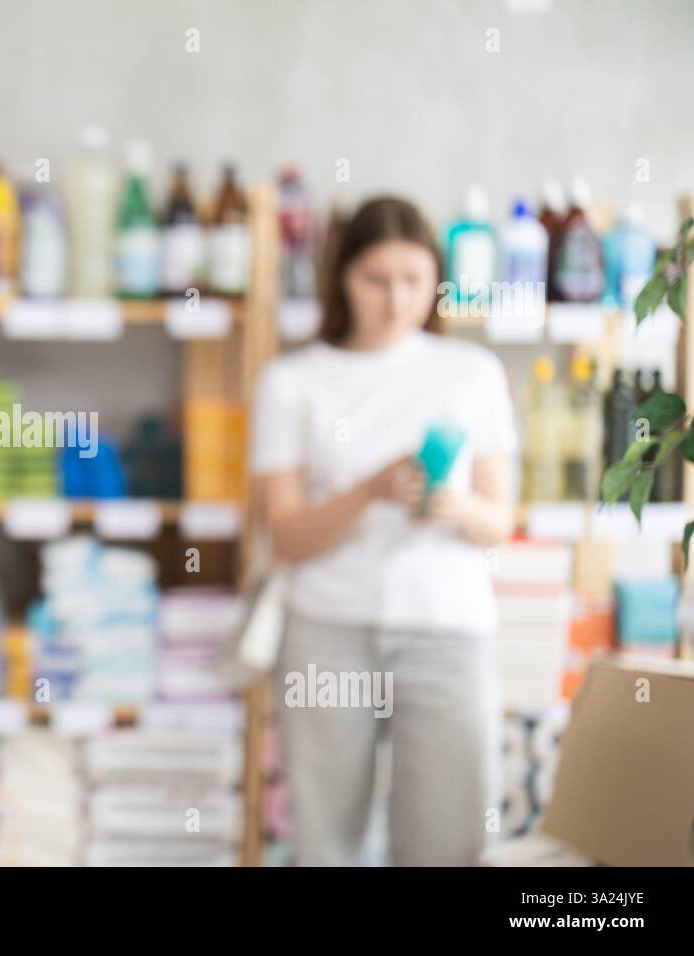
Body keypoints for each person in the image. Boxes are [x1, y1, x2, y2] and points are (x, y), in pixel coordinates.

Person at [250, 196, 519, 866]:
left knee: (448, 839)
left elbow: (500, 523)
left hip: (449, 632)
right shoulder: (292, 381)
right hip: (329, 628)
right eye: (376, 279)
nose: (397, 299)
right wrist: (369, 490)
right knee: (325, 838)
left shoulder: (472, 373)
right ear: (342, 277)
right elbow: (286, 535)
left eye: (414, 280)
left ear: (437, 281)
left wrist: (452, 507)